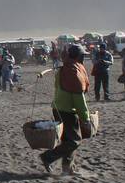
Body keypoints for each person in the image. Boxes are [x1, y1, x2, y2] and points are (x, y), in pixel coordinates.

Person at [39, 45, 93, 176]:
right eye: (82, 56)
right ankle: (48, 157)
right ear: (78, 57)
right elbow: (79, 99)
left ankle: (67, 168)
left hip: (58, 108)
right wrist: (85, 119)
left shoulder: (65, 69)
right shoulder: (73, 73)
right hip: (66, 111)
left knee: (69, 140)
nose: (83, 58)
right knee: (74, 141)